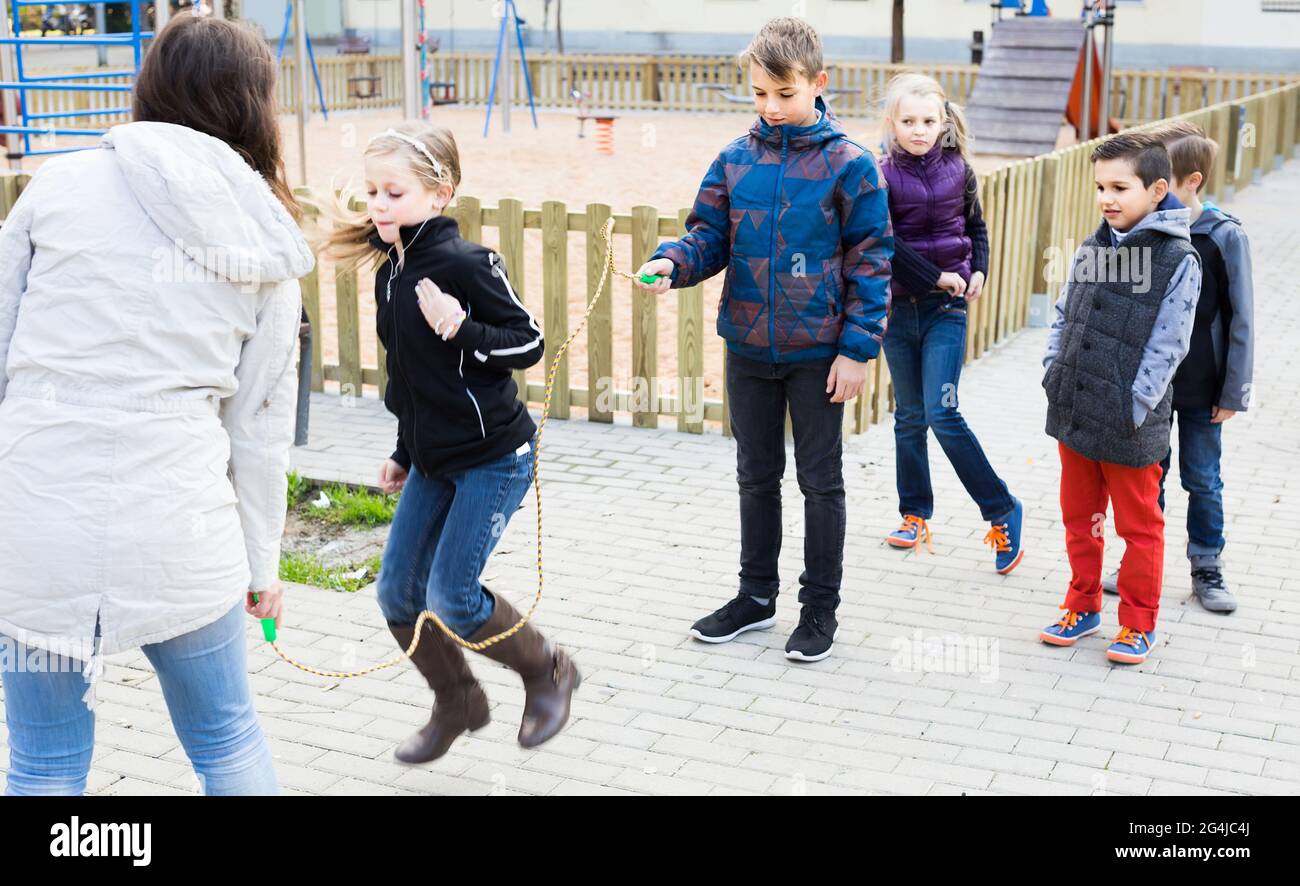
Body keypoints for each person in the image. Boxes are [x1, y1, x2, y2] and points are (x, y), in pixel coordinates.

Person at [0, 14, 311, 794]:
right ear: (254, 102)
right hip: (180, 526)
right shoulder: (265, 235)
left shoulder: (59, 184)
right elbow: (259, 428)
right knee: (228, 738)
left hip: (35, 520)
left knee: (41, 760)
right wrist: (261, 562)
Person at [634, 17, 892, 662]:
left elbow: (872, 262)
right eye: (759, 95)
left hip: (818, 355)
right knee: (756, 477)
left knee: (820, 482)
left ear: (818, 84)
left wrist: (858, 348)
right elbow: (707, 237)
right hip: (748, 346)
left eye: (784, 94)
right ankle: (755, 598)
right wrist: (674, 262)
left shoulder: (851, 166)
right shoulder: (734, 158)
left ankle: (819, 609)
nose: (771, 108)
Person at [320, 121, 578, 763]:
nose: (378, 205)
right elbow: (412, 379)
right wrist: (405, 452)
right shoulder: (391, 269)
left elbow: (531, 344)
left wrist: (462, 327)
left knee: (453, 597)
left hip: (494, 458)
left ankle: (548, 671)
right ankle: (458, 700)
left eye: (395, 193)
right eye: (373, 192)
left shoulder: (467, 264)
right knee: (396, 594)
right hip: (434, 459)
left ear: (441, 193)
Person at [1039, 132, 1202, 664]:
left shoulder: (1179, 258)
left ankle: (1137, 622)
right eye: (1100, 187)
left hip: (1131, 421)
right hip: (1074, 405)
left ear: (1157, 190)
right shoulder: (1092, 246)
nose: (1107, 198)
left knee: (1139, 527)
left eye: (1120, 187)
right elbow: (1063, 314)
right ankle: (1082, 605)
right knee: (1079, 517)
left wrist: (1137, 402)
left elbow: (1170, 343)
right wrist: (1052, 370)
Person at [1099, 121, 1252, 614]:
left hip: (1203, 388)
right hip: (1150, 387)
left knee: (1202, 478)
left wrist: (1234, 393)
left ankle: (1207, 565)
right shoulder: (1143, 234)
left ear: (1190, 182)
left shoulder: (1223, 236)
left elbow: (1241, 318)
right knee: (1148, 477)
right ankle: (1140, 564)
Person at [877, 72, 1025, 573]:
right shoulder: (878, 175)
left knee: (942, 412)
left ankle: (1002, 509)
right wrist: (935, 275)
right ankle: (914, 513)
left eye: (929, 120)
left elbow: (975, 226)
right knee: (909, 416)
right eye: (908, 121)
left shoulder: (959, 170)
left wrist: (978, 267)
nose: (919, 130)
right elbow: (884, 244)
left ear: (943, 123)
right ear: (892, 123)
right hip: (899, 311)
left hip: (946, 311)